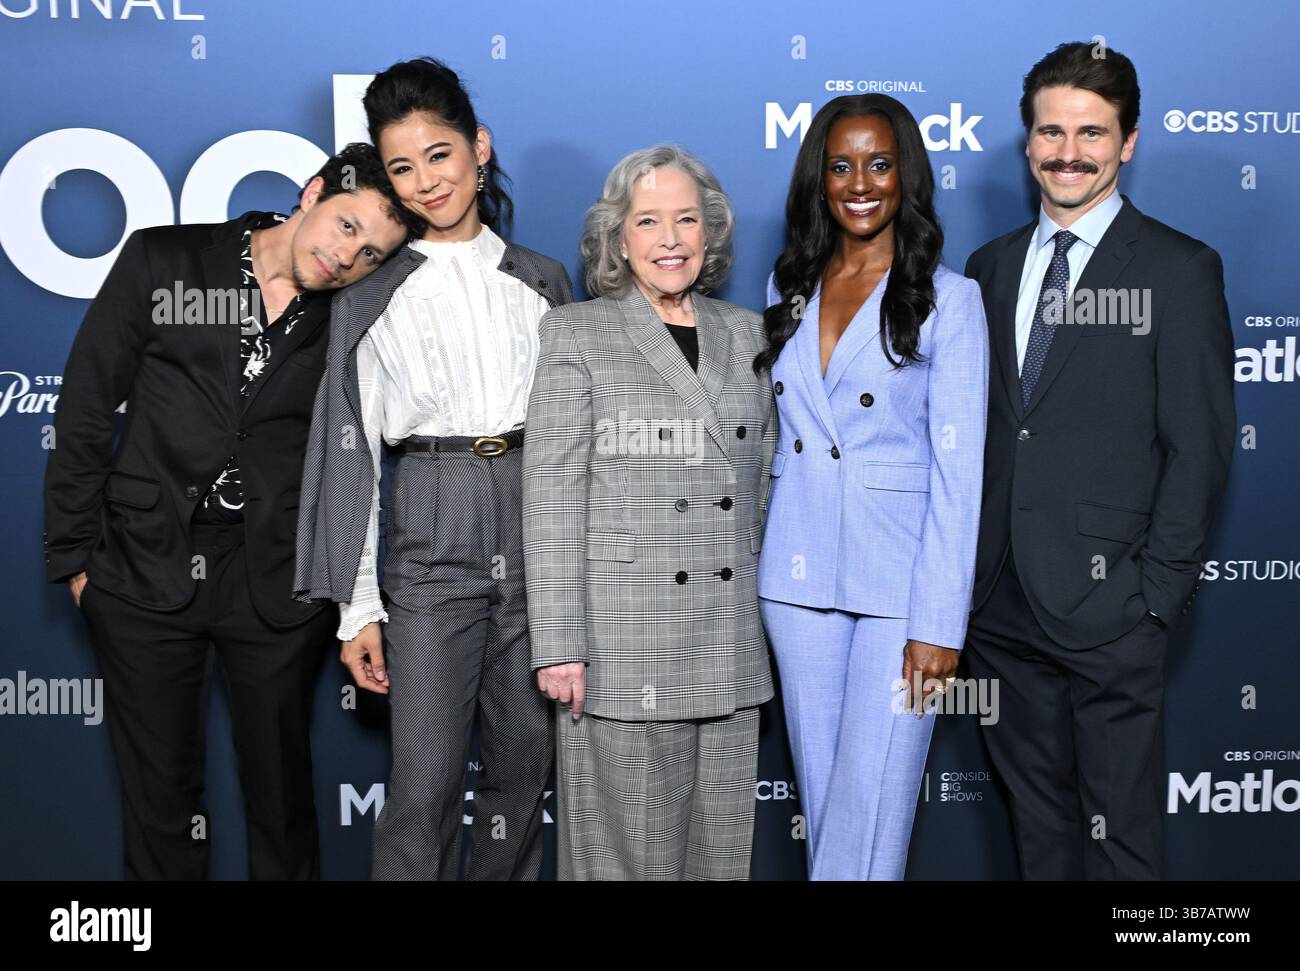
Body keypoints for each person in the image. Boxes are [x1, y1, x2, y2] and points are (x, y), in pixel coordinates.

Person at [43, 142, 417, 880]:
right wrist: (75, 561)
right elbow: (86, 405)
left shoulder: (353, 316)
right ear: (312, 193)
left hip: (274, 580)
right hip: (142, 567)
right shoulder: (164, 260)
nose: (350, 257)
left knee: (282, 805)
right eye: (347, 227)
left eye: (373, 253)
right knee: (160, 805)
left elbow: (358, 451)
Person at [294, 57, 573, 881]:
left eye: (440, 155)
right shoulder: (370, 294)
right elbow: (353, 460)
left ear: (479, 148)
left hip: (534, 535)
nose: (426, 183)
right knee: (422, 785)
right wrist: (358, 610)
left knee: (523, 776)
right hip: (428, 530)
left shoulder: (544, 280)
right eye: (403, 168)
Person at [963, 42, 1235, 879]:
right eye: (1050, 131)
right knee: (1038, 835)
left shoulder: (1178, 268)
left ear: (1129, 143)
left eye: (1091, 132)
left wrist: (1156, 595)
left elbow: (1201, 446)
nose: (1068, 151)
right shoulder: (990, 268)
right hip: (1001, 605)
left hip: (1115, 607)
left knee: (1121, 843)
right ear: (1027, 141)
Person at [524, 145, 775, 880]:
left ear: (710, 232)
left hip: (728, 639)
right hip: (622, 640)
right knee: (623, 862)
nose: (670, 238)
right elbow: (551, 494)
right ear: (619, 238)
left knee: (719, 856)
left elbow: (761, 487)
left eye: (687, 219)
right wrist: (560, 642)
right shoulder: (578, 333)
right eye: (648, 220)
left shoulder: (749, 332)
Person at [756, 95, 988, 880]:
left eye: (879, 164)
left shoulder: (951, 300)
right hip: (795, 578)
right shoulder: (786, 286)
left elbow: (960, 473)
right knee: (827, 807)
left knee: (873, 813)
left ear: (906, 176)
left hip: (900, 589)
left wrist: (940, 623)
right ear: (819, 180)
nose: (861, 182)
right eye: (841, 165)